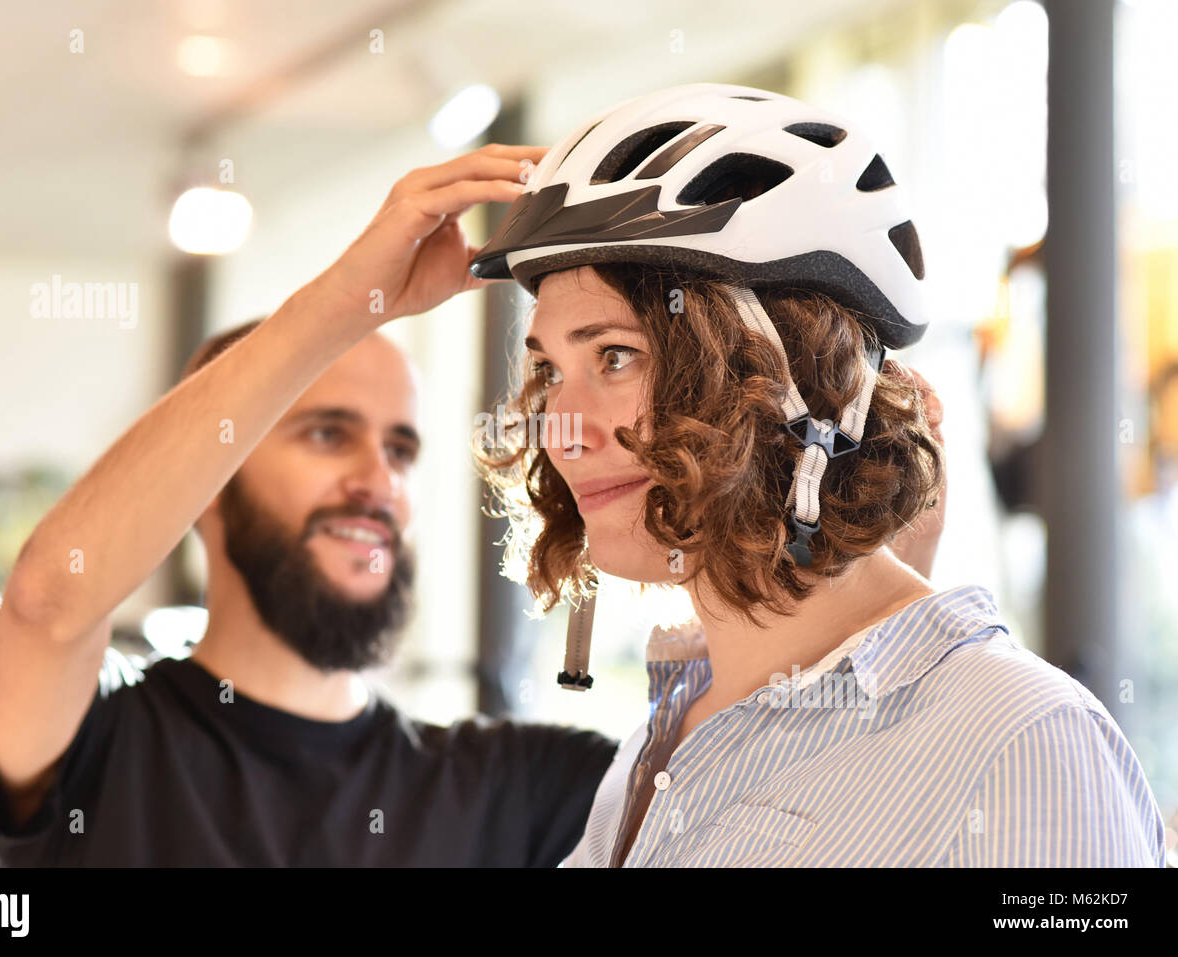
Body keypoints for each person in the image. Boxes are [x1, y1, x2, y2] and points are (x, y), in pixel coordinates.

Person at [466, 81, 1167, 867]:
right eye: (552, 372)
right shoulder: (658, 749)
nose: (564, 434)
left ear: (793, 373)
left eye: (615, 356)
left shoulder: (1019, 742)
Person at [0, 145, 623, 866]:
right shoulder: (102, 745)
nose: (378, 479)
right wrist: (345, 302)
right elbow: (47, 602)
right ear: (207, 477)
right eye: (326, 434)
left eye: (401, 449)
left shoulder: (522, 789)